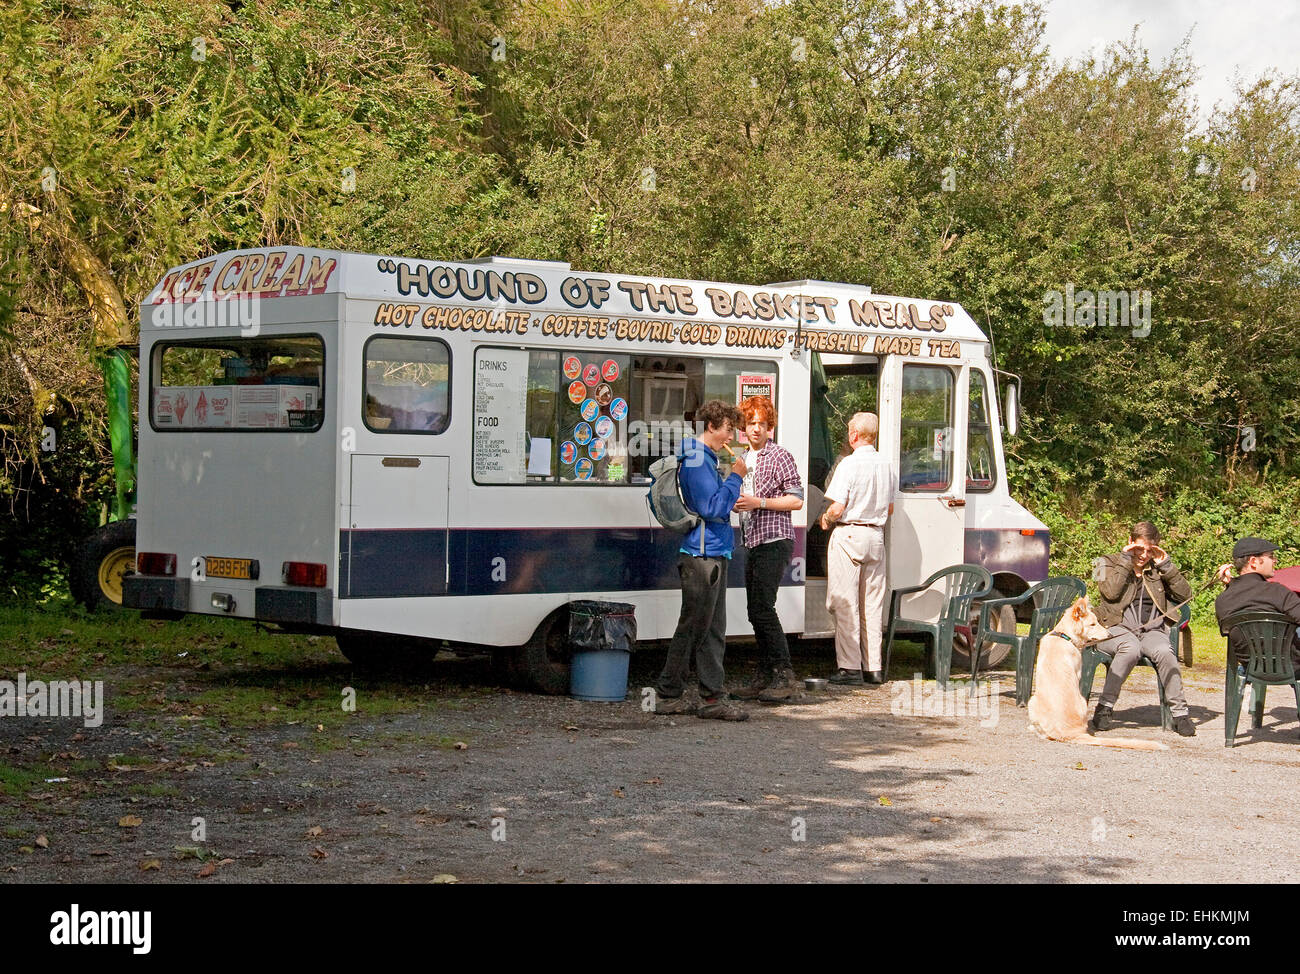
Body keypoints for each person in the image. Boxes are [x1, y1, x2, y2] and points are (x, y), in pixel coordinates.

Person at [654, 399, 750, 720]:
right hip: (703, 555)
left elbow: (711, 504)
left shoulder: (702, 457)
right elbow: (710, 508)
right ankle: (669, 694)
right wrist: (736, 478)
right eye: (727, 429)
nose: (731, 436)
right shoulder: (697, 459)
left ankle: (711, 698)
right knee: (696, 628)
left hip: (710, 551)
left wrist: (728, 496)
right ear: (710, 426)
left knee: (710, 629)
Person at [729, 396, 805, 703]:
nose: (756, 429)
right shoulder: (744, 457)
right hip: (753, 538)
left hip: (775, 539)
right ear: (744, 428)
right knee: (754, 611)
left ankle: (784, 675)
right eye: (751, 423)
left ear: (769, 425)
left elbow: (797, 499)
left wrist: (759, 502)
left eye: (762, 423)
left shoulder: (780, 455)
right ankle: (765, 675)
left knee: (762, 608)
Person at [1090, 521, 1195, 737]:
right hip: (1113, 627)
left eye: (1149, 550)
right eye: (1139, 548)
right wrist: (1125, 560)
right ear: (1129, 542)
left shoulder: (1158, 568)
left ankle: (1180, 714)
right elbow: (1108, 592)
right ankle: (1104, 707)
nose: (1144, 555)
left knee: (1165, 652)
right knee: (1130, 648)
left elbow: (1186, 596)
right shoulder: (1100, 561)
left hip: (1152, 630)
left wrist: (1167, 566)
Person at [819, 412, 894, 685]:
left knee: (845, 603)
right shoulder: (886, 464)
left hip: (849, 534)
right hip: (876, 536)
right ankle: (873, 667)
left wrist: (825, 519)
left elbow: (837, 507)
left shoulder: (849, 464)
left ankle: (849, 667)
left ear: (853, 435)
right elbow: (890, 507)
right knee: (872, 606)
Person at [1213, 537, 1300, 667]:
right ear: (1253, 561)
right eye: (1271, 556)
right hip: (1290, 666)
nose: (1275, 561)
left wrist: (1231, 584)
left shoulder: (1222, 600)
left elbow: (1246, 597)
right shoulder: (1277, 591)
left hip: (1252, 668)